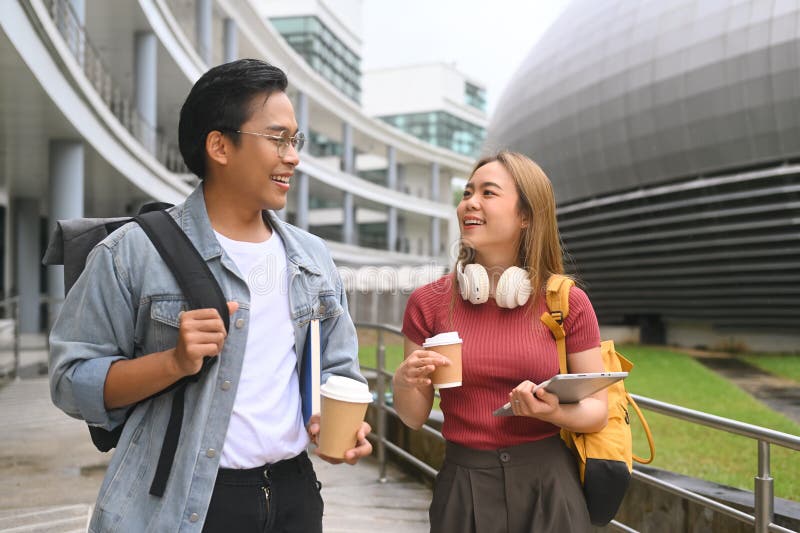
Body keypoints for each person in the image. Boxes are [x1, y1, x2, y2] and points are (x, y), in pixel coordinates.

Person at [49, 58, 371, 533]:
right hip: (182, 504)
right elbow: (69, 381)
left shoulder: (312, 257)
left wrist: (341, 424)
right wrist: (173, 362)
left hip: (294, 497)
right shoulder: (130, 254)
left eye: (294, 140)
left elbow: (339, 369)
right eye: (278, 139)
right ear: (220, 145)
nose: (293, 156)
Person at [393, 151, 607, 533]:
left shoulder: (567, 302)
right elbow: (413, 417)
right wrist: (404, 381)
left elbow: (597, 412)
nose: (470, 202)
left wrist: (550, 412)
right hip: (463, 488)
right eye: (467, 192)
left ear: (526, 215)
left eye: (488, 193)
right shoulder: (426, 304)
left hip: (550, 488)